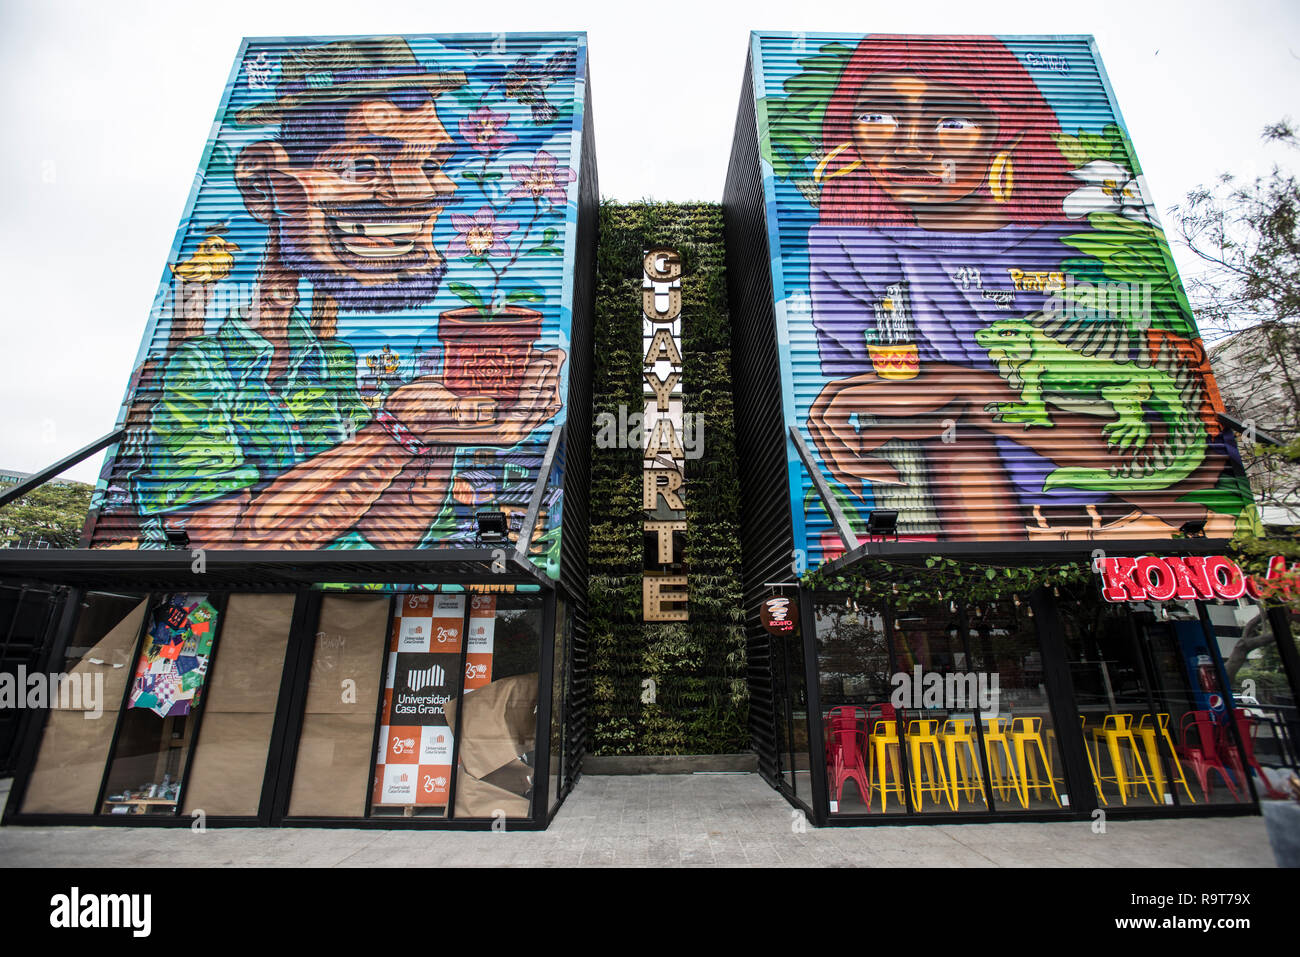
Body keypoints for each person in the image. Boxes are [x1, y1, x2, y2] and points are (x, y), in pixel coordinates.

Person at [120, 38, 565, 549]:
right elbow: (215, 544)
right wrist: (396, 427)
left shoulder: (330, 363)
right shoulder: (197, 370)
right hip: (213, 625)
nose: (422, 193)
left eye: (428, 164)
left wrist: (438, 433)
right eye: (363, 165)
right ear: (265, 182)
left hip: (337, 620)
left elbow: (385, 536)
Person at [803, 35, 1203, 540]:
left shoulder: (1096, 244)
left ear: (1006, 129)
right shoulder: (849, 246)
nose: (909, 147)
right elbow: (921, 434)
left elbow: (1190, 466)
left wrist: (968, 390)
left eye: (950, 121)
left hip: (1133, 529)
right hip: (995, 532)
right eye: (879, 116)